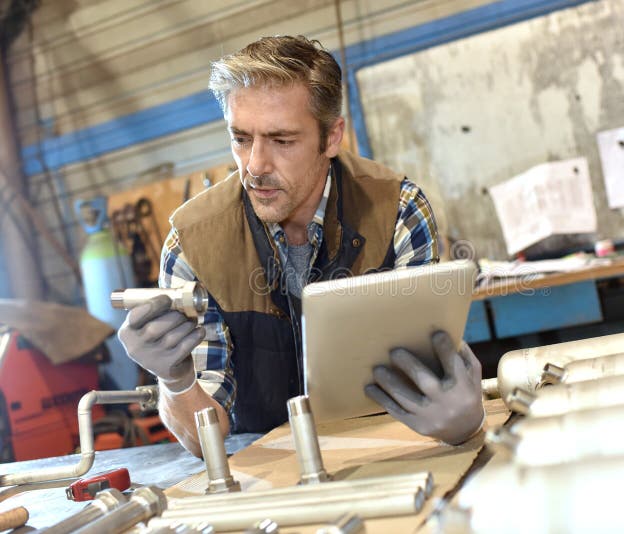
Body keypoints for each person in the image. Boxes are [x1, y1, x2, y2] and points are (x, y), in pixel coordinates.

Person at [118, 36, 484, 456]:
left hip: (386, 449)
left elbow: (430, 371)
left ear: (332, 138)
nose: (255, 165)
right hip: (267, 470)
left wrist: (460, 420)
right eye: (240, 138)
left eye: (282, 141)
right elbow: (207, 438)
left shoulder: (396, 211)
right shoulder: (193, 243)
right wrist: (175, 380)